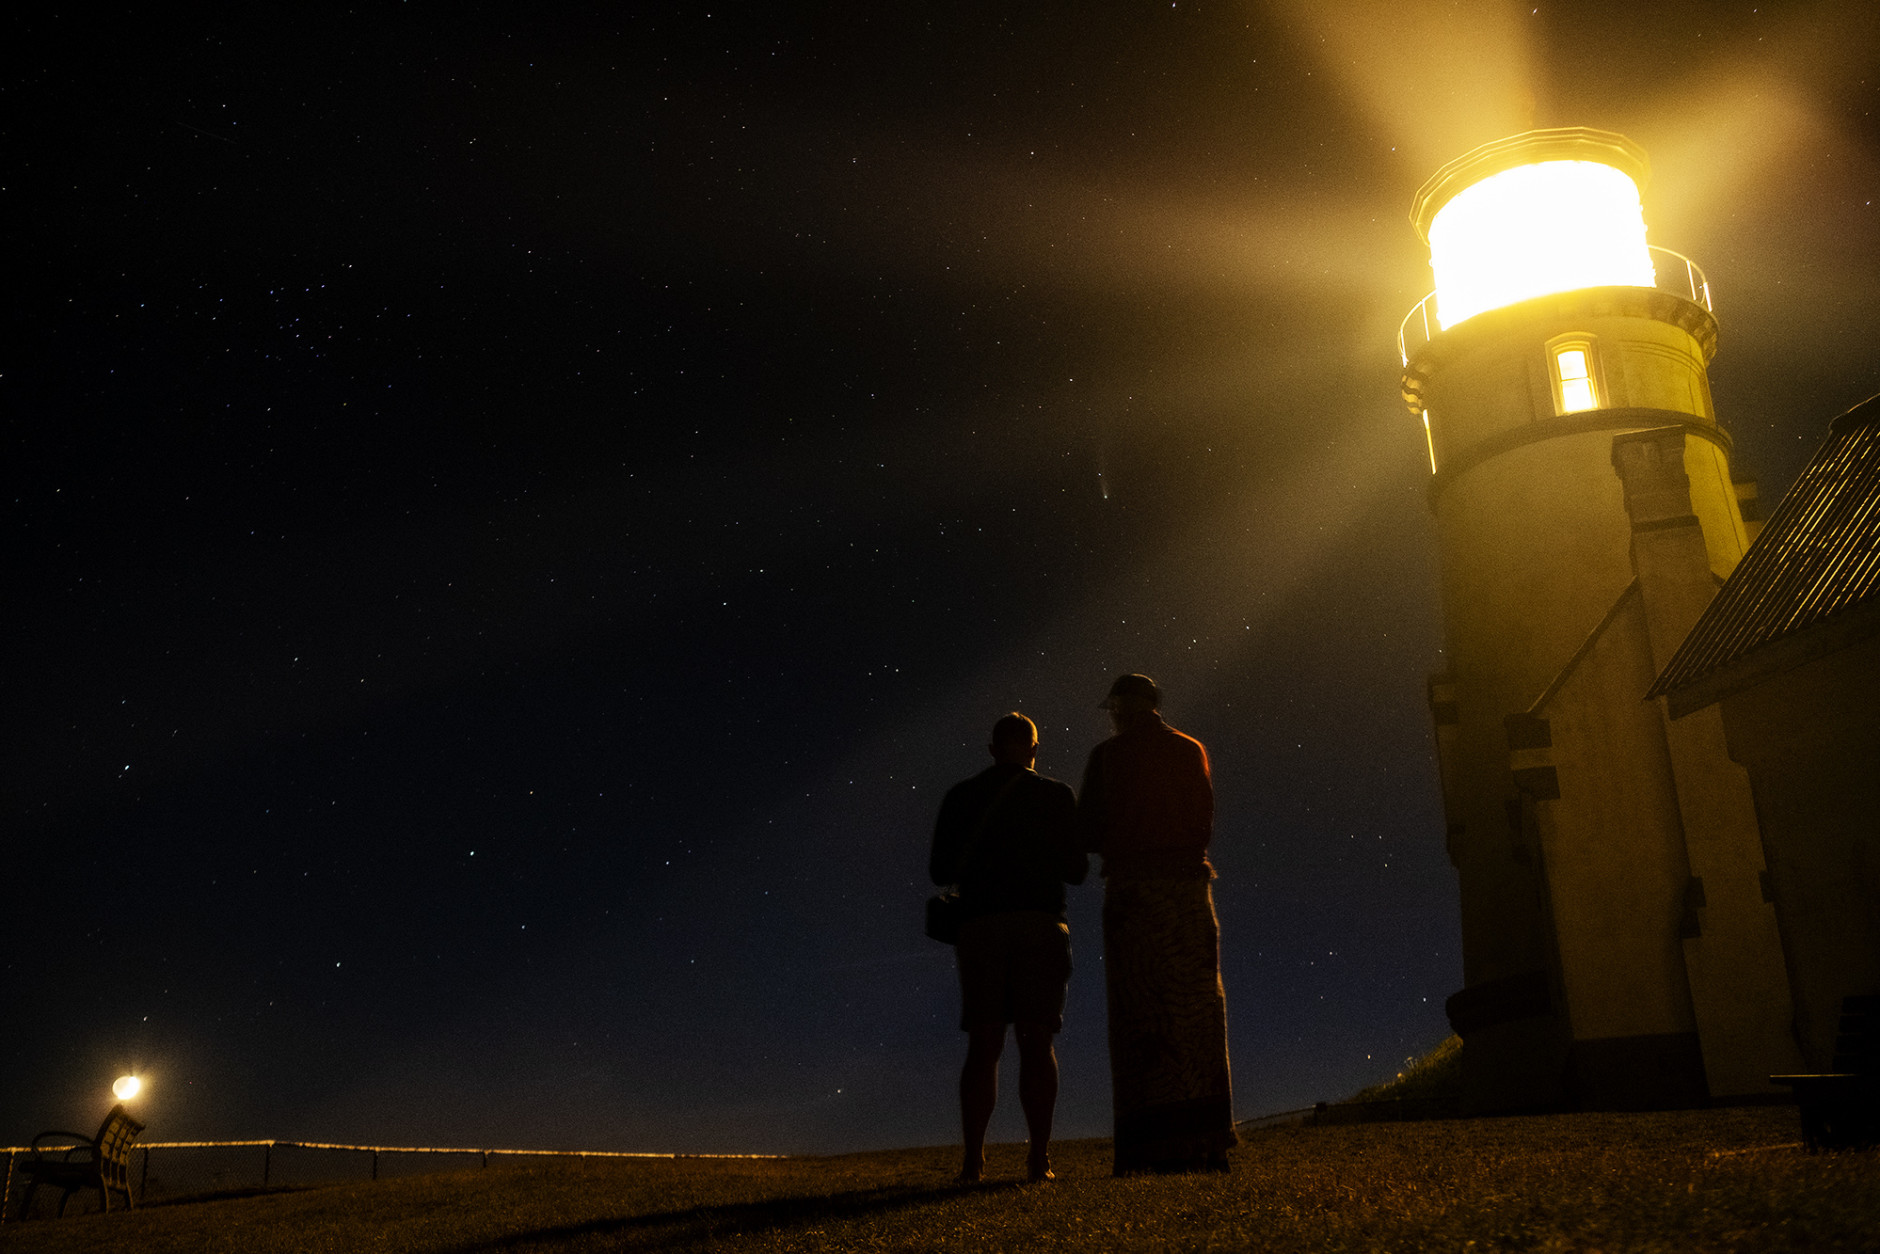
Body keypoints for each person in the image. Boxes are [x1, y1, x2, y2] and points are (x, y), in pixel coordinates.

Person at [1079, 673, 1236, 1175]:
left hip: (1135, 897)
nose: (1112, 716)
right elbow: (1203, 819)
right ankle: (1206, 1142)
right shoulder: (1190, 749)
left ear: (1123, 707)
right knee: (1196, 1013)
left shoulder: (1107, 757)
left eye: (1113, 708)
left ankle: (1149, 1147)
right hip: (1189, 892)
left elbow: (1088, 830)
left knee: (1140, 1017)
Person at [930, 712, 1088, 1183]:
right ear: (1034, 750)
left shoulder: (961, 796)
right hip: (1041, 923)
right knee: (1037, 1040)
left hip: (980, 927)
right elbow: (1077, 871)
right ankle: (1039, 1160)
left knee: (984, 1043)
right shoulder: (1056, 795)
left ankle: (972, 1161)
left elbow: (940, 871)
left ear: (992, 749)